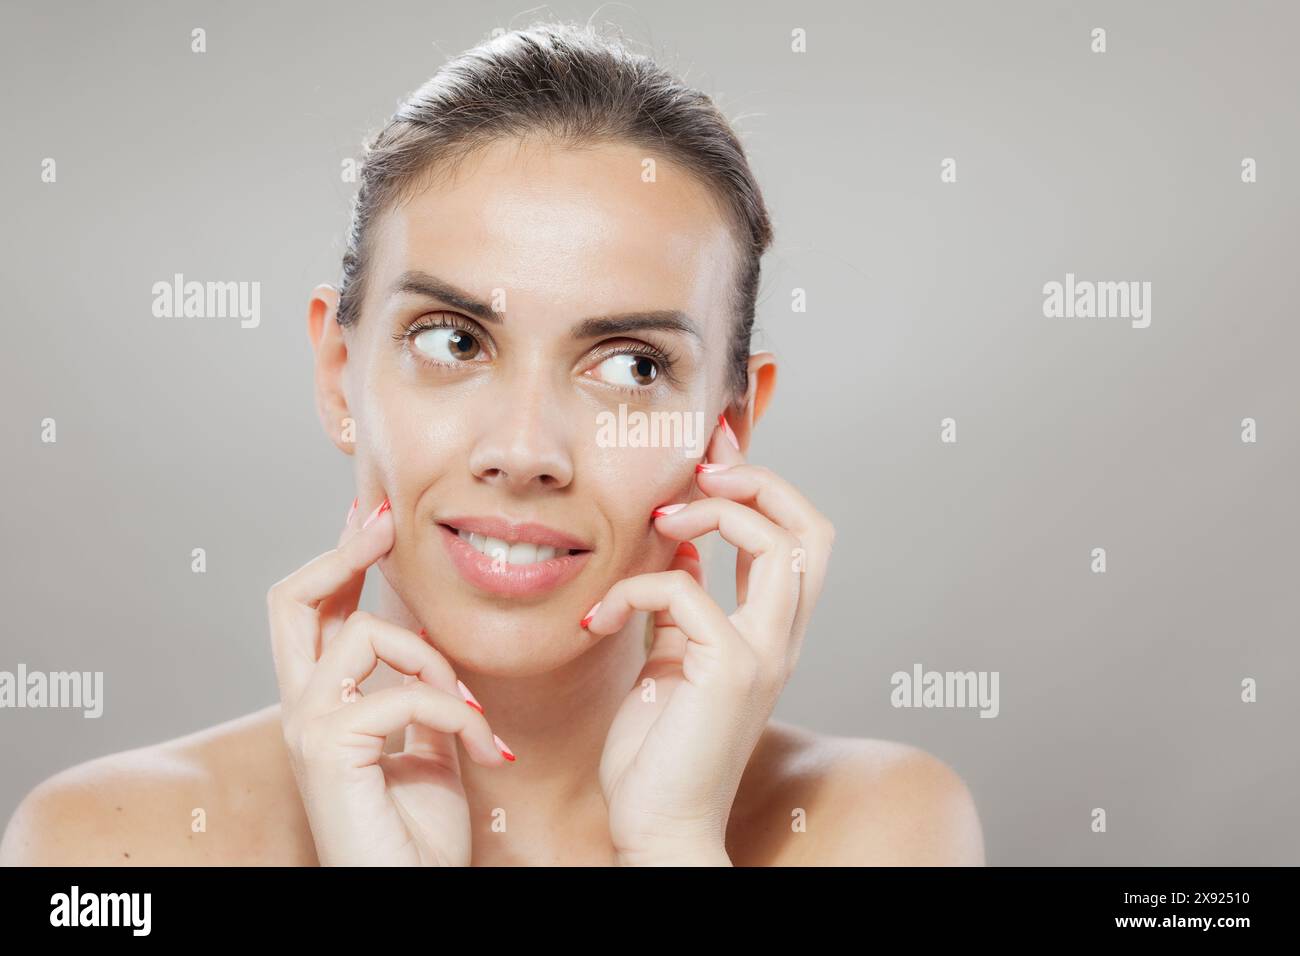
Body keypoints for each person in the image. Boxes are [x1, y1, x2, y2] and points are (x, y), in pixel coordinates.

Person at [0, 22, 983, 866]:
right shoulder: (107, 842)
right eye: (454, 342)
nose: (523, 449)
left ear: (730, 426)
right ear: (339, 375)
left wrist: (675, 840)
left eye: (631, 365)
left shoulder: (874, 825)